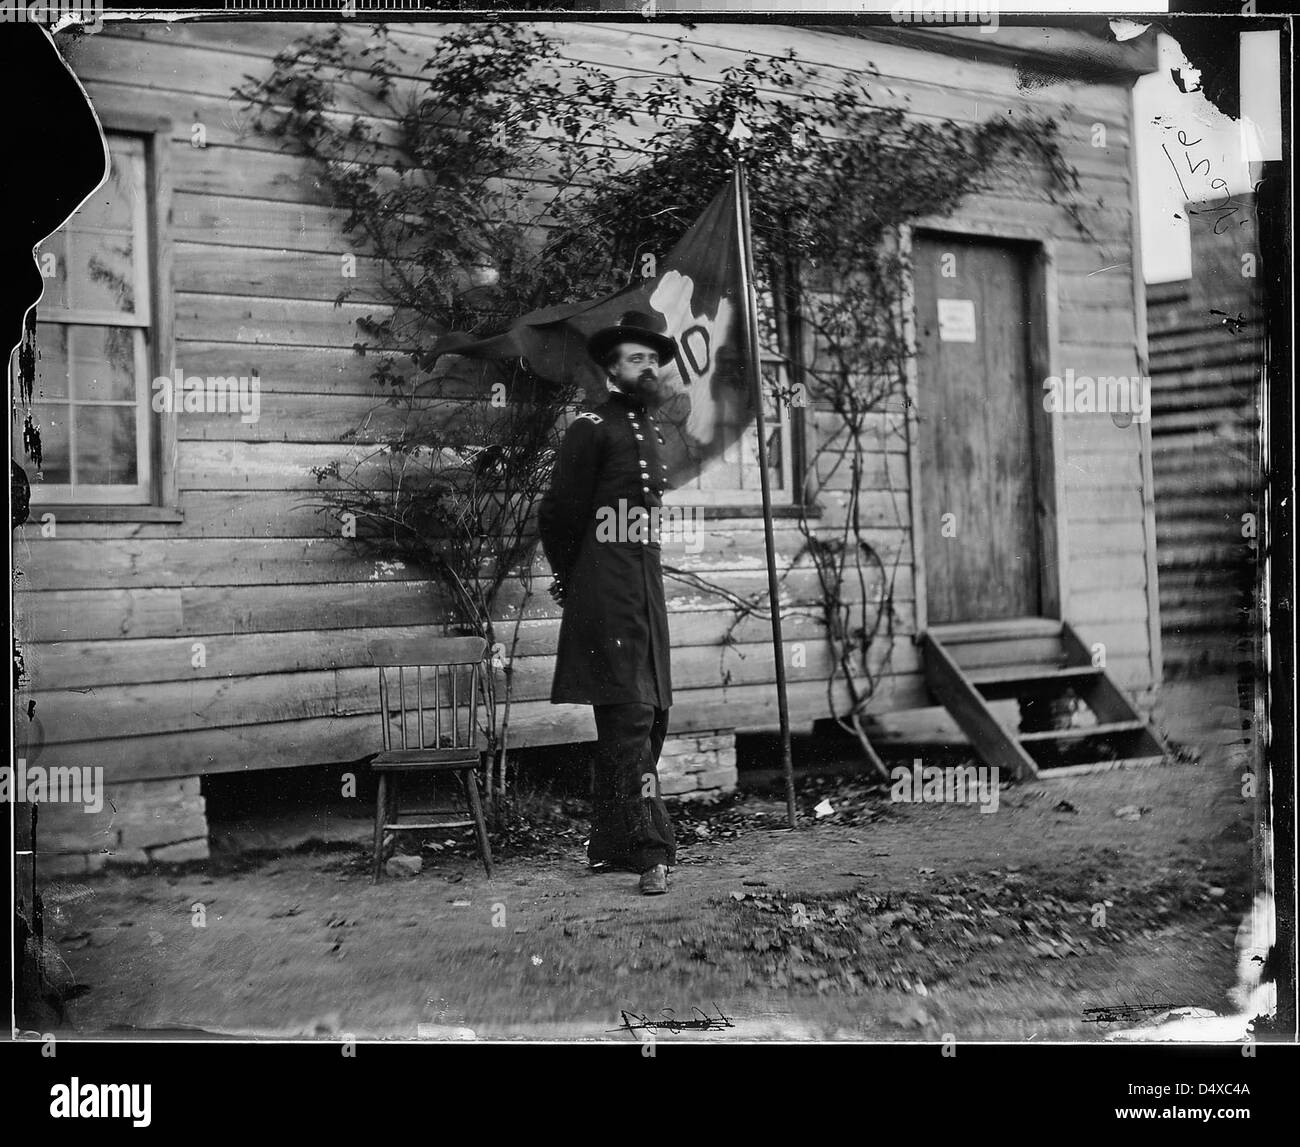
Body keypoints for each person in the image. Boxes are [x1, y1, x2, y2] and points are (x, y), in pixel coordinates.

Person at [538, 311, 679, 896]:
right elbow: (559, 513)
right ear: (612, 368)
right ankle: (651, 852)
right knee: (630, 717)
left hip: (644, 584)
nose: (647, 367)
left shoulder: (649, 427)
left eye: (653, 358)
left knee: (651, 715)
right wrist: (577, 579)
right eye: (635, 358)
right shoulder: (589, 426)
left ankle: (609, 845)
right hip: (605, 586)